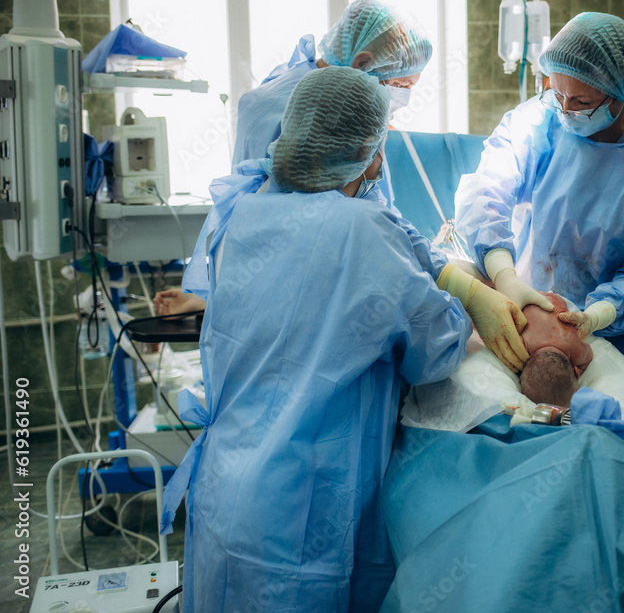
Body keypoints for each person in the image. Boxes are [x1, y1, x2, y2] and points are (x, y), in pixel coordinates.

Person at [159, 66, 472, 612]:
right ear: (371, 155)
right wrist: (474, 304)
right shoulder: (361, 231)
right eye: (380, 147)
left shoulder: (244, 212)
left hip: (224, 491)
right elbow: (435, 350)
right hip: (299, 513)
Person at [159, 0, 530, 373]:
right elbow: (426, 345)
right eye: (400, 84)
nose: (399, 102)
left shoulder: (253, 205)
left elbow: (376, 231)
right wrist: (466, 300)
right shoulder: (352, 216)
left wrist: (455, 278)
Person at [454, 12, 624, 411]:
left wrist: (600, 313)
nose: (567, 110)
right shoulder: (541, 119)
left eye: (583, 102)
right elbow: (486, 194)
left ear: (622, 95)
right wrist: (503, 274)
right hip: (525, 294)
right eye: (558, 95)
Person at [519, 292, 594, 407]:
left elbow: (587, 358)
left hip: (537, 297)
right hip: (531, 298)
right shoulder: (525, 345)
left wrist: (580, 370)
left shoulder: (572, 346)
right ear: (575, 373)